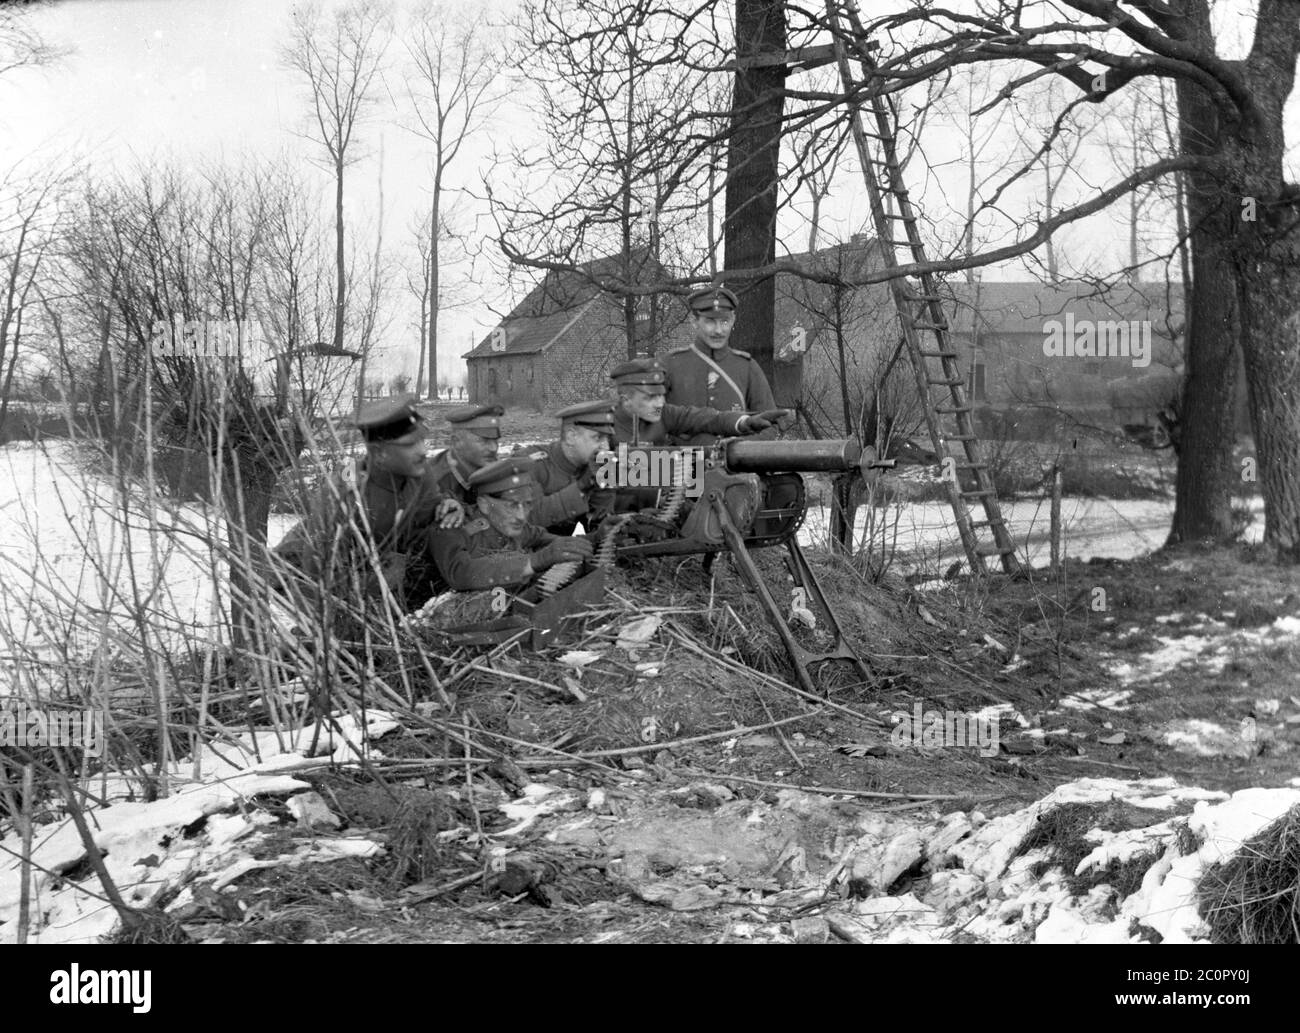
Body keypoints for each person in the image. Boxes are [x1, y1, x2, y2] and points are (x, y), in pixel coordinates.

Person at [273, 395, 463, 611]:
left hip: (369, 570)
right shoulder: (347, 493)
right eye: (410, 445)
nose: (422, 451)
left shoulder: (419, 475)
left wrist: (449, 505)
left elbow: (429, 509)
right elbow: (318, 569)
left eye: (422, 440)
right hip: (299, 577)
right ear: (379, 454)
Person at [428, 456, 594, 591]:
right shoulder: (452, 525)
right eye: (512, 505)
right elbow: (460, 573)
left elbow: (553, 542)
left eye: (527, 504)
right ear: (485, 504)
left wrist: (598, 536)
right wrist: (536, 560)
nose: (521, 516)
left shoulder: (512, 525)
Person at [610, 357, 786, 446]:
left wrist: (745, 422)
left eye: (661, 395)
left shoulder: (665, 415)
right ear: (626, 399)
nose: (659, 403)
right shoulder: (602, 425)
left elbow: (709, 419)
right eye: (650, 397)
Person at [517, 399, 617, 535]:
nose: (605, 447)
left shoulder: (594, 466)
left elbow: (598, 526)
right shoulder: (529, 463)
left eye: (607, 439)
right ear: (571, 437)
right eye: (597, 438)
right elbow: (531, 517)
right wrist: (583, 485)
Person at [427, 403, 504, 505]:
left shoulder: (499, 472)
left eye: (495, 440)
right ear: (456, 442)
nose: (493, 448)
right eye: (484, 441)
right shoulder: (433, 483)